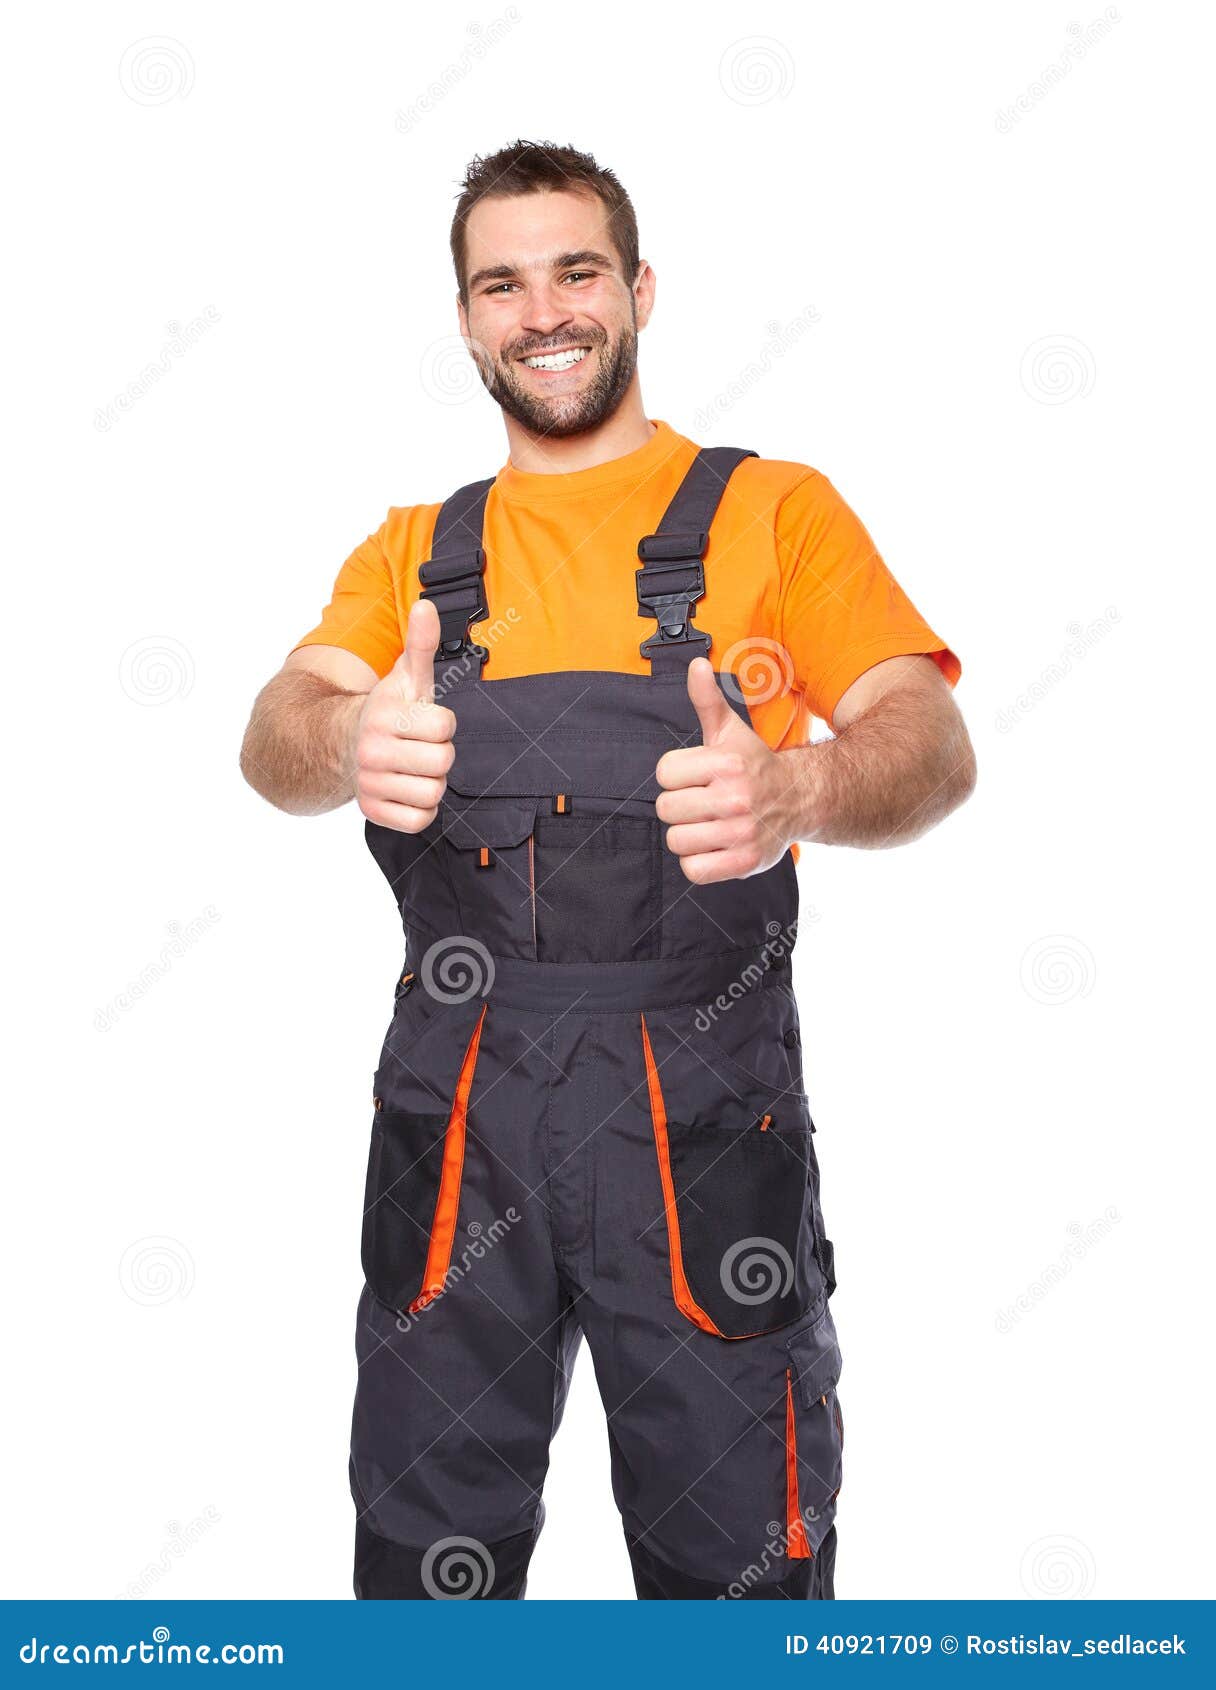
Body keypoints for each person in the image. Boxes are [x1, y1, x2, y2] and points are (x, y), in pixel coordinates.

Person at [240, 139, 975, 1601]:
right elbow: (275, 731)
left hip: (699, 1123)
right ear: (465, 319)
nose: (544, 310)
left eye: (576, 271)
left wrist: (800, 780)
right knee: (424, 1571)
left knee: (742, 1586)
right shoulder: (414, 553)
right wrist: (345, 737)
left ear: (637, 289)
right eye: (501, 283)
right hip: (460, 1127)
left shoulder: (776, 511)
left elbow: (930, 737)